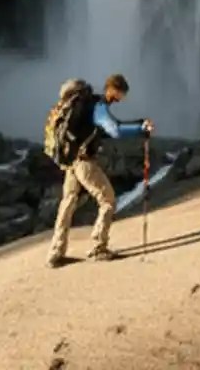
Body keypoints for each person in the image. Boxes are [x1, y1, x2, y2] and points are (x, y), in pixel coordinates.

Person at [46, 73, 155, 267]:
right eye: (122, 94)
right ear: (114, 90)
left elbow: (102, 132)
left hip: (71, 161)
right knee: (108, 199)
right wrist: (140, 130)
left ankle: (56, 252)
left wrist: (139, 123)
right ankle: (98, 247)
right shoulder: (99, 107)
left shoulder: (86, 106)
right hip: (84, 162)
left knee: (68, 203)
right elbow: (115, 130)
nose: (123, 98)